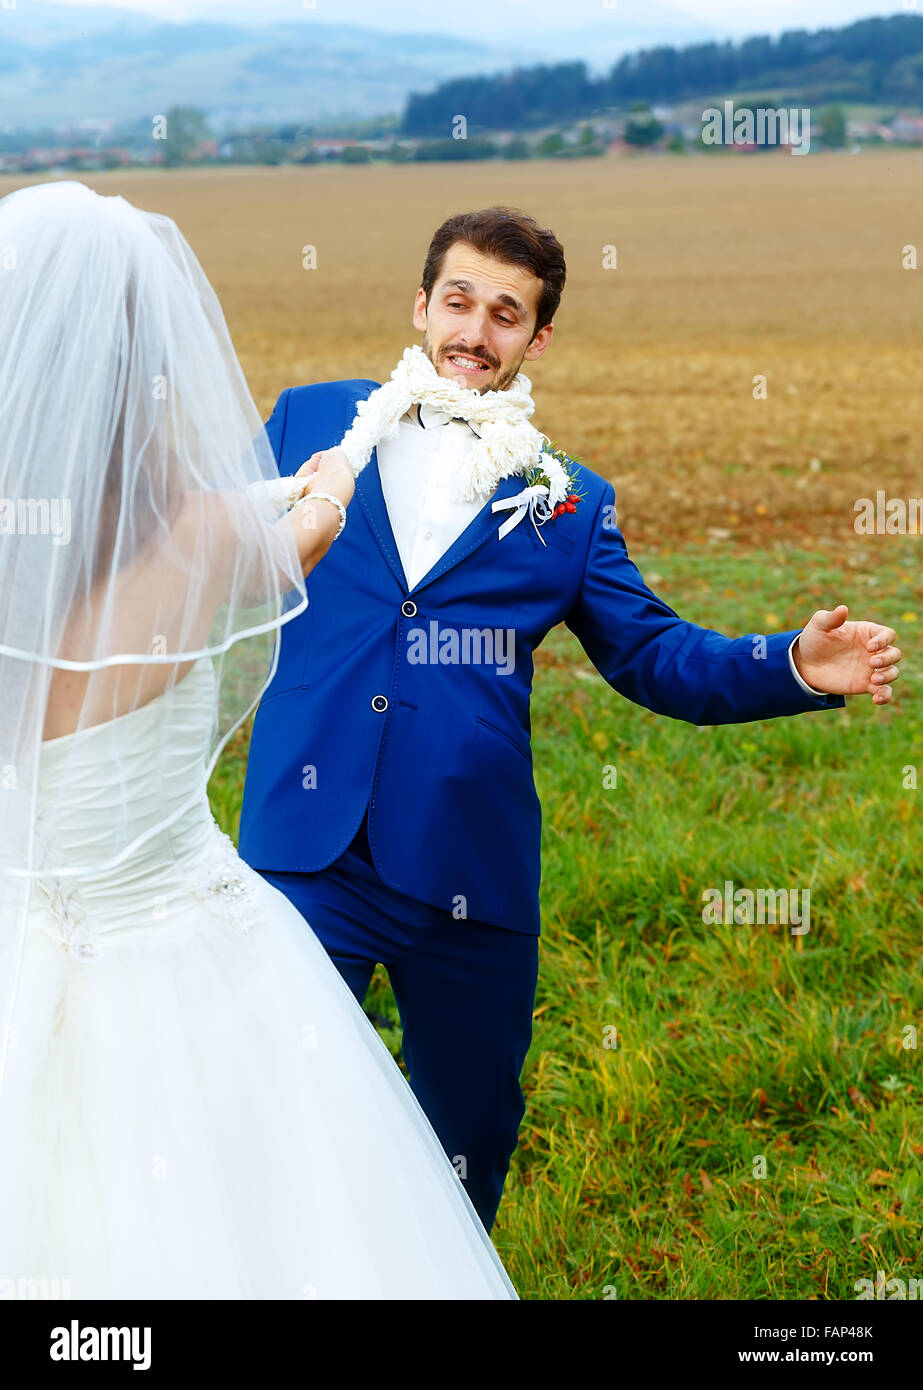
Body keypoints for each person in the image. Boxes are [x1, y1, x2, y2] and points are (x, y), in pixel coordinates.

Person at [238, 205, 903, 1234]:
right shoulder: (306, 419)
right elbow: (194, 539)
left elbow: (650, 654)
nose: (474, 330)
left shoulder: (565, 500)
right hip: (304, 845)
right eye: (456, 300)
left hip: (468, 873)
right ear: (420, 306)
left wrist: (795, 665)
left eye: (505, 314)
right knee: (272, 1112)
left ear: (535, 338)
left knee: (466, 1149)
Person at [0, 182, 517, 1300]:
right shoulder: (197, 540)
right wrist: (332, 468)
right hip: (180, 939)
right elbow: (312, 528)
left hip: (24, 938)